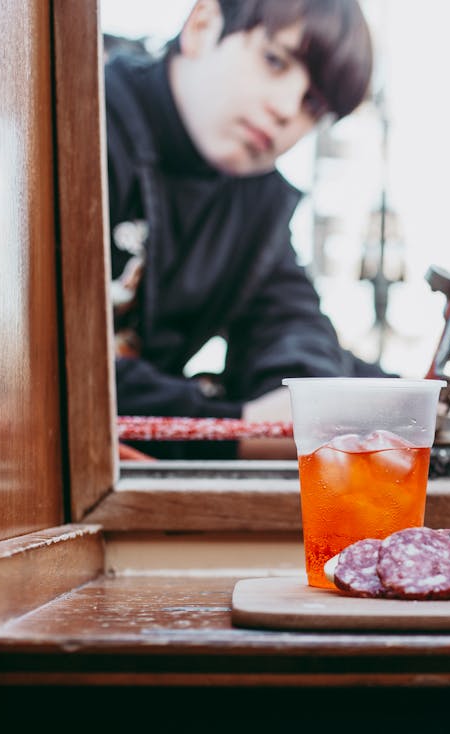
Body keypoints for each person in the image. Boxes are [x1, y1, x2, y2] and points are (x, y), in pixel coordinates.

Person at [104, 0, 388, 459]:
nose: (284, 110)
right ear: (202, 25)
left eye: (311, 105)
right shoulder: (79, 124)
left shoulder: (258, 205)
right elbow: (49, 374)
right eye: (274, 60)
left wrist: (315, 401)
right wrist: (240, 430)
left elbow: (290, 325)